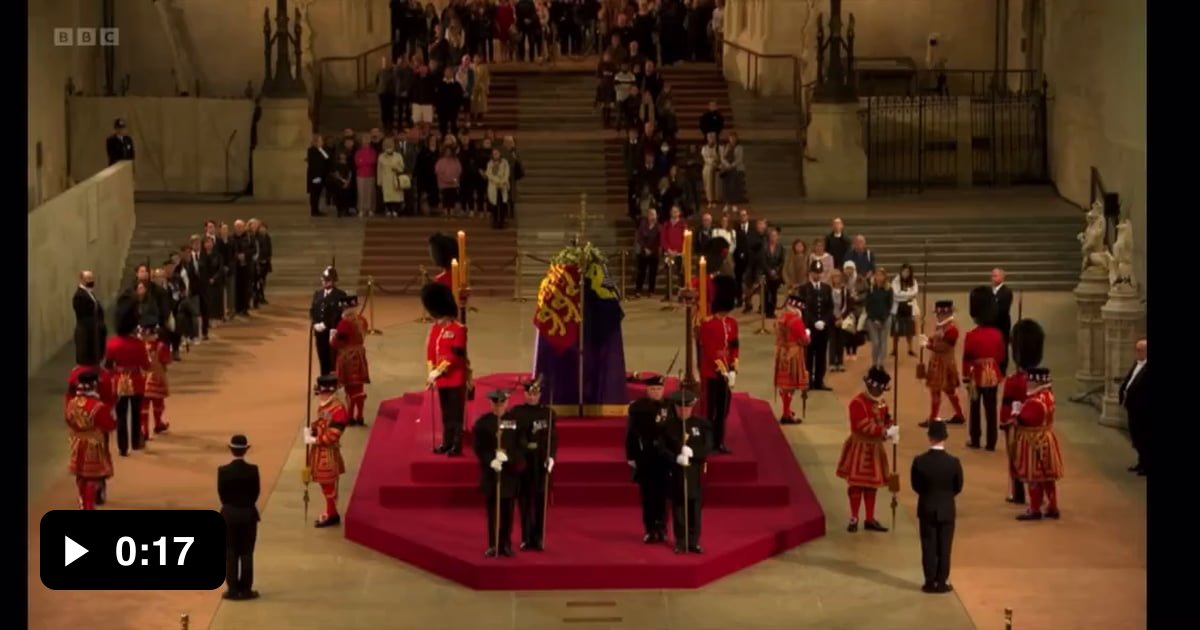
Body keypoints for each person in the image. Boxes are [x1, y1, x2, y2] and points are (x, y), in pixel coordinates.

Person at [836, 367, 898, 533]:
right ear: (871, 386)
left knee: (872, 486)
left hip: (875, 448)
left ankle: (869, 518)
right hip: (860, 448)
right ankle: (854, 517)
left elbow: (887, 418)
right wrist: (884, 431)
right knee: (856, 485)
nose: (880, 392)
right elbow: (863, 426)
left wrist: (891, 427)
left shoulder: (882, 402)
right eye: (879, 388)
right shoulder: (857, 403)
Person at [910, 420, 963, 594]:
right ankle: (942, 582)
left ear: (929, 438)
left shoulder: (919, 461)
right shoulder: (954, 462)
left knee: (928, 546)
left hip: (926, 508)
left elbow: (916, 486)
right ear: (945, 438)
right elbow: (958, 487)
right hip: (947, 509)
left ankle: (929, 582)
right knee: (945, 548)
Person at [660, 389, 713, 554]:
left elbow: (708, 446)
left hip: (695, 473)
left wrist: (694, 454)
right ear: (675, 408)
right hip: (676, 472)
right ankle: (681, 541)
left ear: (692, 407)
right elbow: (661, 448)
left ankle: (694, 541)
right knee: (679, 508)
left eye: (687, 408)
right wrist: (675, 457)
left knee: (694, 509)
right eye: (680, 408)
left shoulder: (702, 425)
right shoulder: (667, 426)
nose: (683, 411)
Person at [473, 389, 523, 557]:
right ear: (491, 403)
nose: (499, 406)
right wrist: (491, 461)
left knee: (508, 514)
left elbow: (520, 446)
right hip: (491, 475)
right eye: (496, 403)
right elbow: (479, 448)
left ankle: (505, 544)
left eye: (502, 403)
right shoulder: (482, 423)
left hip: (509, 475)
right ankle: (493, 544)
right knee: (493, 514)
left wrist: (508, 458)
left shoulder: (514, 422)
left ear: (506, 403)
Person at [1011, 364, 1065, 521]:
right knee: (1048, 476)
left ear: (1036, 383)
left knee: (1033, 476)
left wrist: (1016, 412)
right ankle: (1052, 505)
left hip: (1033, 441)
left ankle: (1034, 509)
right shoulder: (1048, 395)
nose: (1028, 383)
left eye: (1030, 381)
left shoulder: (1035, 401)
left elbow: (1024, 420)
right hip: (1046, 437)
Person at [423, 282, 470, 456]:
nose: (437, 319)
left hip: (455, 378)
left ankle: (456, 445)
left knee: (455, 414)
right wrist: (431, 372)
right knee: (445, 414)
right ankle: (447, 441)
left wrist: (439, 371)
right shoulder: (436, 328)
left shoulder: (459, 330)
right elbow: (430, 350)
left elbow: (457, 356)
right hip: (441, 379)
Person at [1000, 320, 1042, 506]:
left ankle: (1018, 493)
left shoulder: (1014, 381)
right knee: (1038, 462)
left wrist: (1005, 423)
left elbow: (1007, 406)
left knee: (1015, 460)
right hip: (1038, 427)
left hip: (1018, 426)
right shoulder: (1042, 379)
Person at [696, 276, 739, 454]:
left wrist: (734, 368)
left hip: (727, 372)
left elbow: (734, 345)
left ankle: (718, 441)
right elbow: (711, 350)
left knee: (723, 409)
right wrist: (723, 370)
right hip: (712, 373)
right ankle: (708, 441)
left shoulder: (731, 323)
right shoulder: (708, 324)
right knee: (711, 409)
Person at [625, 374, 670, 543]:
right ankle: (650, 529)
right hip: (646, 458)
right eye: (653, 389)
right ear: (647, 390)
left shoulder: (670, 406)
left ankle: (662, 528)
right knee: (648, 496)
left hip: (665, 458)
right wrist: (631, 456)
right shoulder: (638, 408)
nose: (656, 392)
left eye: (659, 389)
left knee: (663, 496)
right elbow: (631, 434)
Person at [513, 376, 556, 551]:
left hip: (541, 463)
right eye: (529, 394)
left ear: (540, 395)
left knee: (540, 502)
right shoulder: (516, 412)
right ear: (525, 394)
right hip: (525, 463)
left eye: (535, 394)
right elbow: (514, 437)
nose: (532, 397)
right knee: (525, 502)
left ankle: (538, 537)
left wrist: (551, 456)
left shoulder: (548, 413)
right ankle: (526, 536)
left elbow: (552, 437)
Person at [302, 375, 349, 528]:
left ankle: (332, 513)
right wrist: (313, 429)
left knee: (328, 483)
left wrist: (315, 439)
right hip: (319, 452)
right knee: (324, 484)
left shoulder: (339, 409)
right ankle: (331, 511)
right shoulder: (325, 406)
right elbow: (321, 421)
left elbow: (333, 435)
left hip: (327, 452)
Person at [218, 434, 260, 601]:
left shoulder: (223, 471)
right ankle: (246, 589)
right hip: (248, 513)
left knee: (231, 551)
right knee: (247, 552)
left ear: (231, 449)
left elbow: (222, 495)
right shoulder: (253, 470)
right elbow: (255, 493)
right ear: (246, 450)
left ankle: (232, 589)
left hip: (229, 514)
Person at [962, 287, 1005, 450]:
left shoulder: (972, 335)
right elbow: (1001, 356)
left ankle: (975, 438)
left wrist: (966, 376)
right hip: (992, 373)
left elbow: (967, 357)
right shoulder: (997, 334)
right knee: (991, 408)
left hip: (976, 374)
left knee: (975, 407)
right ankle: (991, 441)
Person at [64, 370, 115, 510]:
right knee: (92, 476)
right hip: (93, 444)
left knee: (80, 475)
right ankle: (89, 505)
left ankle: (82, 502)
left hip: (76, 443)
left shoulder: (71, 404)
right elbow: (109, 425)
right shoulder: (98, 406)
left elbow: (68, 420)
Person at [104, 312, 151, 456]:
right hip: (136, 380)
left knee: (121, 414)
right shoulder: (139, 344)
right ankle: (136, 442)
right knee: (136, 413)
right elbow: (146, 365)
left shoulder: (112, 343)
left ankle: (122, 446)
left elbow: (108, 364)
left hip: (120, 380)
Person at [919, 301, 965, 427]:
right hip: (940, 362)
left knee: (936, 391)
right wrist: (927, 339)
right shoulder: (942, 326)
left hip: (942, 364)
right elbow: (937, 339)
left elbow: (943, 347)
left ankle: (933, 419)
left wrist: (928, 345)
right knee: (949, 391)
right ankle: (959, 415)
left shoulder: (952, 329)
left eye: (940, 313)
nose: (937, 316)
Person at [331, 295, 371, 427]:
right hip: (359, 354)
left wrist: (332, 338)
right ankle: (360, 415)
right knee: (359, 387)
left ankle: (349, 416)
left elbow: (338, 343)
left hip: (348, 357)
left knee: (350, 388)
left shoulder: (344, 323)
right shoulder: (362, 320)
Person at [797, 260, 834, 391]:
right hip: (810, 328)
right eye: (814, 272)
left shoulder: (826, 288)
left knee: (821, 355)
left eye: (819, 272)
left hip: (823, 328)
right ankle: (808, 381)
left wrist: (824, 321)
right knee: (809, 355)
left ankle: (819, 380)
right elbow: (803, 309)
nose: (817, 275)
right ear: (810, 273)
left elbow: (830, 307)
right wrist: (813, 322)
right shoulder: (803, 289)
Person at [774, 293, 810, 425]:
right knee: (790, 385)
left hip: (782, 352)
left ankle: (787, 410)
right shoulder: (795, 320)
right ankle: (786, 414)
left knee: (784, 385)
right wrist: (807, 335)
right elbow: (804, 340)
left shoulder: (781, 317)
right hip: (793, 353)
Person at [309, 267, 347, 376]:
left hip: (331, 332)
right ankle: (323, 380)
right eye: (323, 279)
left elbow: (337, 313)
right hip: (319, 332)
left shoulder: (340, 295)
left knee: (332, 359)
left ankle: (332, 381)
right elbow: (313, 310)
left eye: (327, 279)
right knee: (322, 356)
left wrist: (325, 324)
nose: (324, 282)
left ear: (333, 281)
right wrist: (315, 323)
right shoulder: (318, 294)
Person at [1119, 338, 1148, 475]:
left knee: (1144, 437)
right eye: (1136, 350)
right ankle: (1140, 462)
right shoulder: (1137, 363)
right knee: (1135, 435)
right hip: (1133, 407)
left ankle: (1146, 465)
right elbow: (1130, 380)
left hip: (1143, 409)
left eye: (1140, 350)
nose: (1137, 353)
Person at [139, 319, 172, 441]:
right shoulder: (161, 346)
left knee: (143, 407)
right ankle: (158, 423)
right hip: (157, 378)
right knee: (158, 404)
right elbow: (167, 360)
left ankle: (144, 429)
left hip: (143, 379)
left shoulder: (141, 345)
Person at [73, 270, 107, 366]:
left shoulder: (89, 293)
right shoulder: (79, 295)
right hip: (86, 333)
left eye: (92, 278)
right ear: (81, 280)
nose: (91, 280)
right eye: (88, 278)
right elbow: (83, 316)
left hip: (94, 332)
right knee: (87, 360)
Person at [891, 263, 919, 356]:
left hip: (909, 307)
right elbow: (895, 294)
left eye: (907, 272)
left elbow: (914, 293)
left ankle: (910, 349)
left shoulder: (913, 281)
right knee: (896, 330)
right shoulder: (896, 281)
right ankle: (894, 349)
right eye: (904, 271)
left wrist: (903, 294)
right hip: (898, 307)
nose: (905, 273)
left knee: (909, 330)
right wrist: (907, 295)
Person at [991, 268, 1014, 373]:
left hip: (1002, 324)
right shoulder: (991, 291)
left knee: (1003, 346)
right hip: (992, 324)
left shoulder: (1006, 292)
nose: (993, 278)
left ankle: (1002, 368)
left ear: (1002, 277)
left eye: (995, 276)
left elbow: (1003, 309)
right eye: (992, 276)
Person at [306, 134, 331, 217]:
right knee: (314, 193)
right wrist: (316, 176)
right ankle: (314, 211)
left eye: (322, 141)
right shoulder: (311, 150)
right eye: (320, 141)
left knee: (318, 193)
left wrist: (321, 149)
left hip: (322, 175)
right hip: (315, 175)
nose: (322, 142)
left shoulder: (321, 150)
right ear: (315, 141)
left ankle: (317, 210)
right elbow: (314, 164)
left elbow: (327, 158)